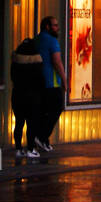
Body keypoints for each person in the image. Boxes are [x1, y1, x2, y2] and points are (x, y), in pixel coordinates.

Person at [32, 15, 68, 152]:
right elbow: (57, 62)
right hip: (52, 82)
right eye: (55, 25)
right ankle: (41, 136)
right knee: (56, 108)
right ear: (47, 26)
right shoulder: (52, 41)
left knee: (43, 111)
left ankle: (42, 139)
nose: (58, 28)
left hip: (38, 82)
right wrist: (64, 80)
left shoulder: (36, 39)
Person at [10, 37, 43, 159]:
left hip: (17, 94)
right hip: (32, 96)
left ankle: (18, 149)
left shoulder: (15, 61)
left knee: (19, 122)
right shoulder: (37, 62)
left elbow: (13, 77)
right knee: (31, 123)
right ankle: (30, 148)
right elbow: (40, 79)